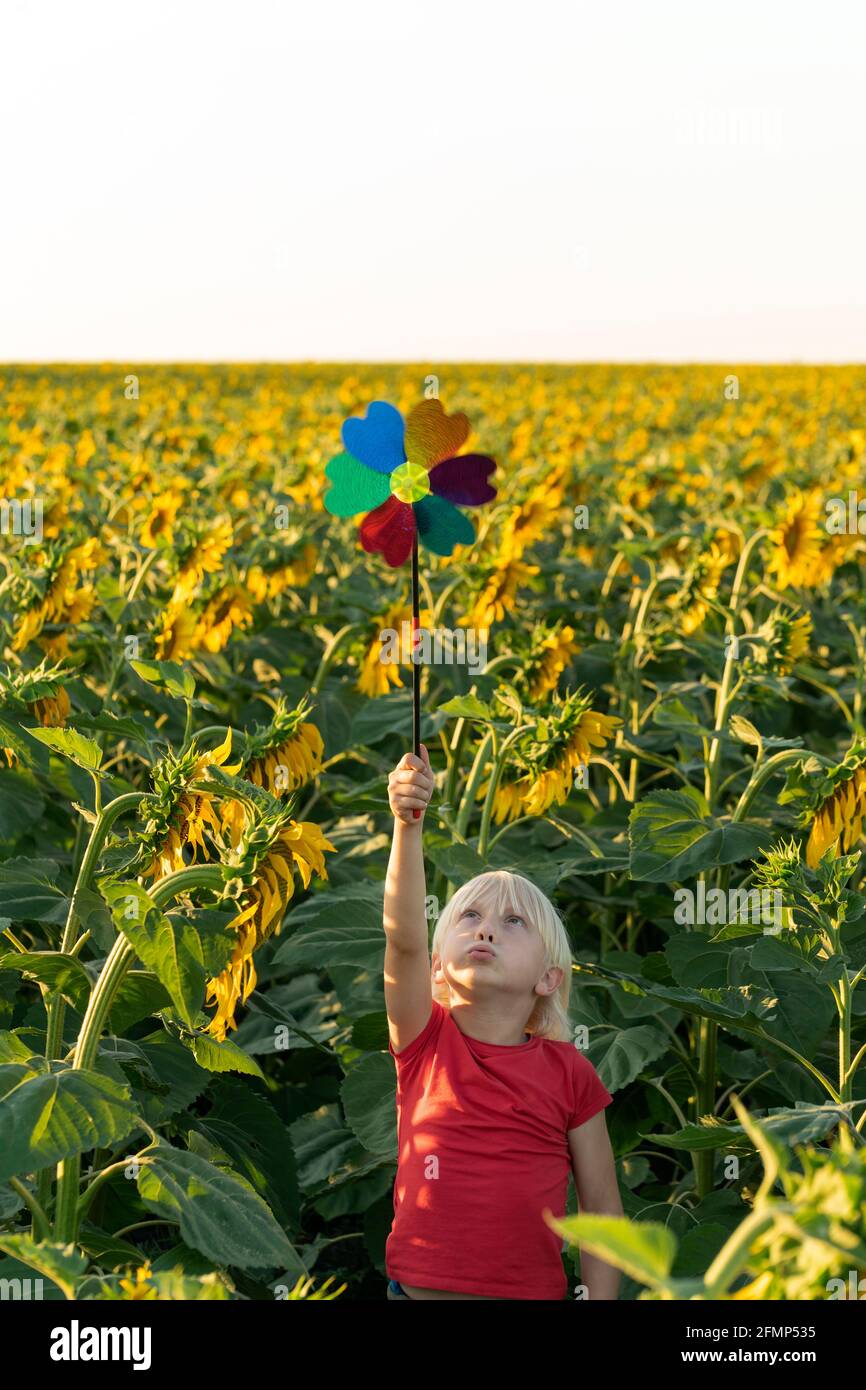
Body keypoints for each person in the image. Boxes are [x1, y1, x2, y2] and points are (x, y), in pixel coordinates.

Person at [383, 743, 623, 1301]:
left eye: (513, 922)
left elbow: (602, 1207)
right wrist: (406, 828)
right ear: (438, 964)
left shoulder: (571, 1074)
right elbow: (402, 940)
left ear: (548, 978)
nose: (485, 930)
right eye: (469, 916)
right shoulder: (424, 1042)